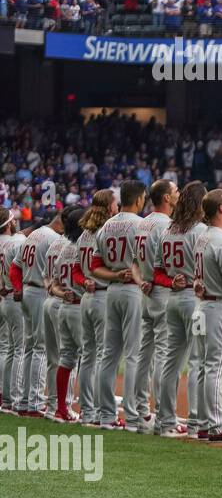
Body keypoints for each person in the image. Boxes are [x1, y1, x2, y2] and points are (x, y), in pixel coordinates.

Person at [91, 179, 148, 431]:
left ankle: (106, 415)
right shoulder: (142, 225)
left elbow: (94, 267)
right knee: (134, 354)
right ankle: (134, 416)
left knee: (109, 354)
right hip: (134, 291)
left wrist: (115, 275)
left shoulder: (105, 227)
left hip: (112, 291)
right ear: (138, 199)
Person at [153, 182, 206, 439]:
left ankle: (164, 420)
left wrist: (170, 281)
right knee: (197, 359)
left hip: (172, 300)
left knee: (170, 361)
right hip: (194, 302)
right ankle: (196, 422)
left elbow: (157, 271)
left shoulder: (169, 230)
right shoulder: (201, 231)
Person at [194, 189, 222, 443]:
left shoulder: (202, 238)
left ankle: (204, 422)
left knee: (204, 367)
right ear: (221, 209)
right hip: (220, 306)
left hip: (203, 306)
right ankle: (217, 424)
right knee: (215, 368)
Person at [135, 179, 177, 431]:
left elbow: (132, 261)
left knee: (144, 353)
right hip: (162, 290)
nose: (179, 194)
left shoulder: (142, 224)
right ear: (166, 198)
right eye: (175, 192)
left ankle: (141, 411)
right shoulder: (167, 225)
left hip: (145, 292)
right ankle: (163, 414)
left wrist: (141, 280)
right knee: (164, 352)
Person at [12, 214, 63, 416]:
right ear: (59, 221)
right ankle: (35, 402)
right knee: (41, 348)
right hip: (40, 292)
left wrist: (17, 288)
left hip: (26, 291)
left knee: (30, 348)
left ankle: (24, 401)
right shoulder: (53, 239)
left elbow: (15, 267)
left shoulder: (33, 235)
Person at [73, 196, 112, 426]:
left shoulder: (84, 235)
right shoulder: (104, 233)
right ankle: (98, 411)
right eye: (114, 203)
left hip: (87, 297)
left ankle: (87, 411)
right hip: (102, 296)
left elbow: (77, 270)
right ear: (108, 207)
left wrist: (82, 282)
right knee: (101, 355)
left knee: (88, 355)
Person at [47, 206, 86, 423]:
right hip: (79, 308)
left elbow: (52, 285)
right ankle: (91, 410)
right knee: (89, 358)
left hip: (64, 307)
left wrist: (63, 293)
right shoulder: (82, 247)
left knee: (66, 359)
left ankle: (61, 409)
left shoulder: (65, 248)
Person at [0, 212, 23, 412]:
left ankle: (5, 396)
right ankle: (14, 398)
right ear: (8, 223)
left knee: (5, 348)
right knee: (18, 349)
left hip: (3, 295)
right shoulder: (17, 241)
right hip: (11, 296)